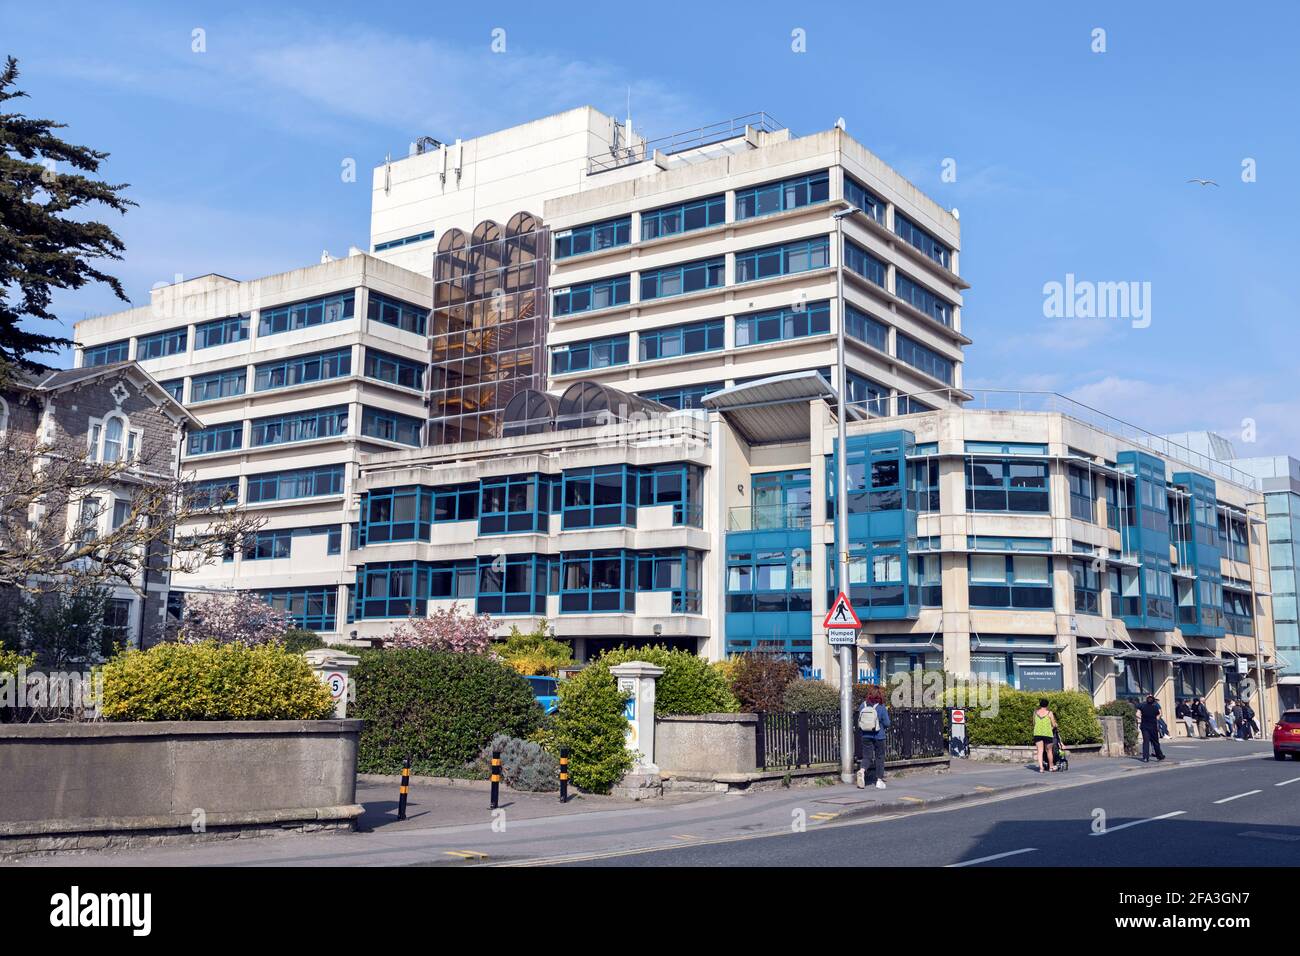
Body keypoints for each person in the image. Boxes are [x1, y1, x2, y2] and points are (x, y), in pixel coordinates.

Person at [856, 689, 890, 790]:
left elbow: (859, 719)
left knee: (867, 756)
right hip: (879, 735)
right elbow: (887, 723)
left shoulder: (863, 705)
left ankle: (861, 771)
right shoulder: (881, 706)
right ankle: (879, 781)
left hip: (865, 735)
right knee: (880, 757)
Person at [1136, 694, 1165, 762]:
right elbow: (1158, 715)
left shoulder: (1142, 706)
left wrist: (1142, 718)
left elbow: (1137, 714)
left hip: (1144, 726)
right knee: (1155, 742)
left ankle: (1145, 758)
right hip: (1153, 726)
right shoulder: (1155, 708)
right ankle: (1159, 756)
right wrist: (1155, 719)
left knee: (1146, 741)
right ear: (1153, 701)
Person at [1033, 699, 1059, 772]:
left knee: (1040, 751)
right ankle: (1051, 767)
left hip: (1037, 733)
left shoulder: (1035, 713)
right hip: (1047, 733)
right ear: (1047, 705)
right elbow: (1054, 725)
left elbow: (1034, 723)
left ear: (1040, 704)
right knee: (1049, 751)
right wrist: (1053, 726)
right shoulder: (1049, 713)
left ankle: (1041, 768)